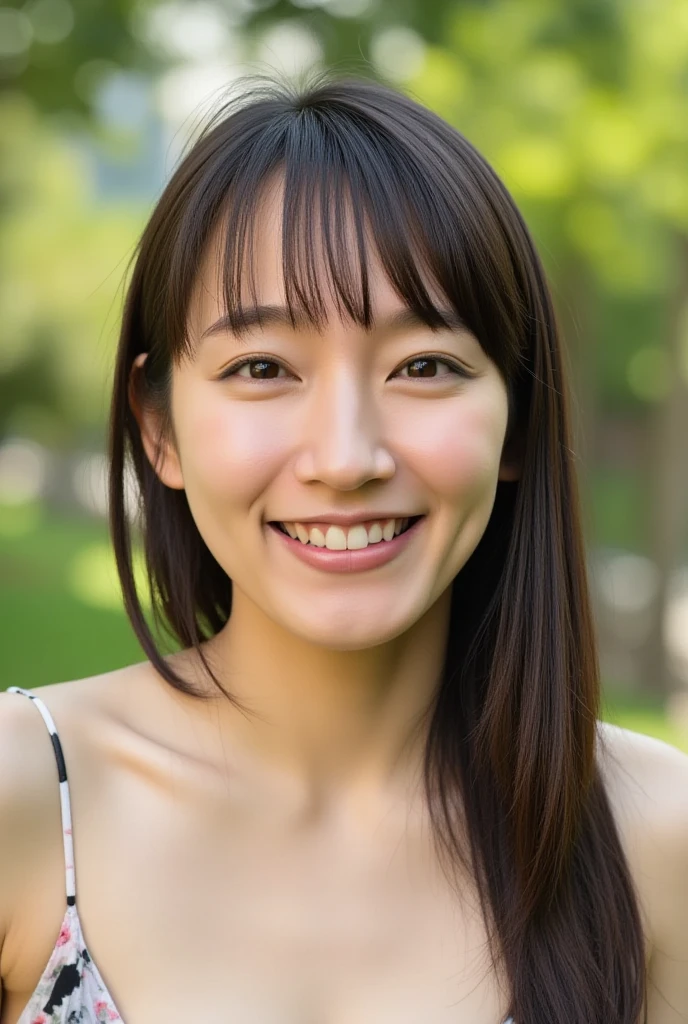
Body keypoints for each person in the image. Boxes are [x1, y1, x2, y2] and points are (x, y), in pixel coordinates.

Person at [1, 73, 686, 1024]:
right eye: (262, 368)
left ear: (519, 422)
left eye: (424, 367)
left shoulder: (655, 840)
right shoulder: (24, 802)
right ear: (159, 428)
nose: (346, 457)